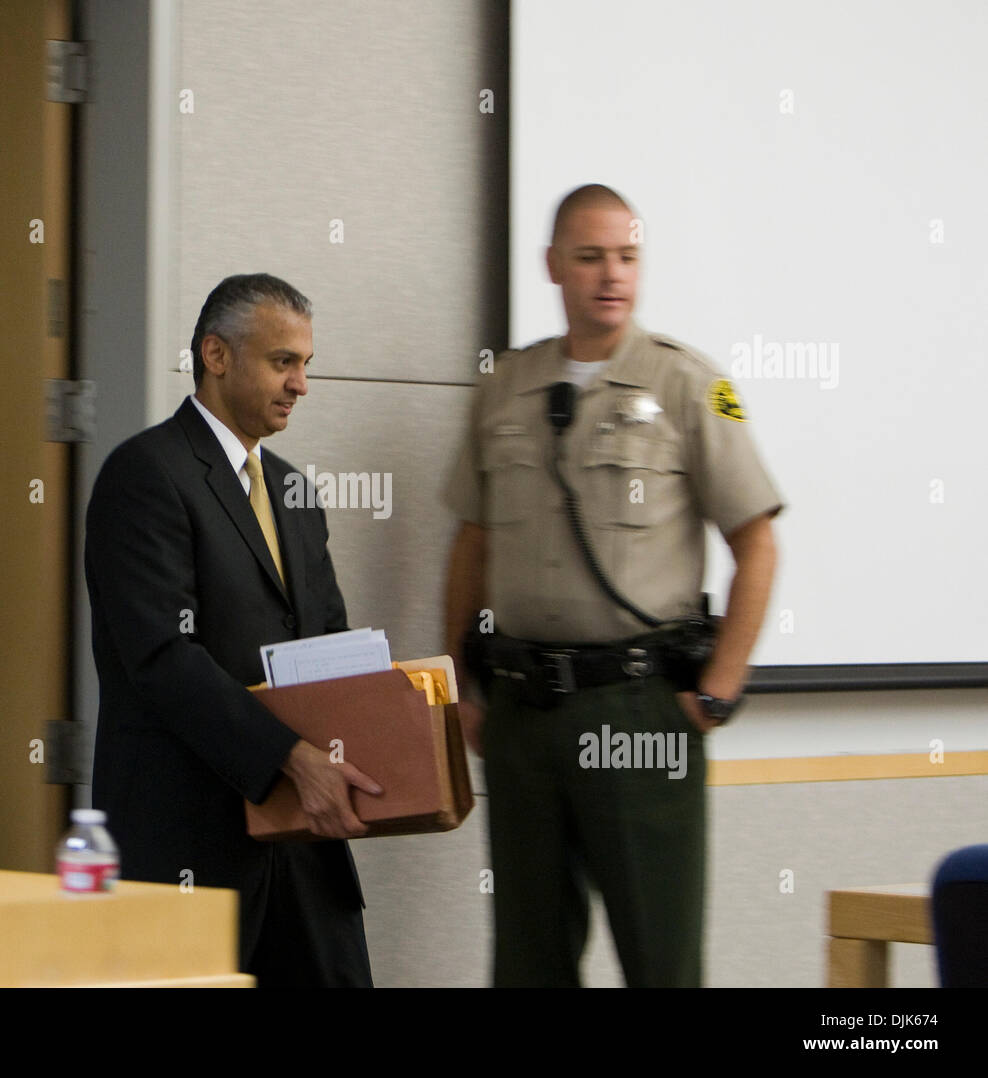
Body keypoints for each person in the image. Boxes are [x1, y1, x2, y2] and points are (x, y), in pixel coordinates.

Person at [442, 184, 782, 987]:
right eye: (590, 256)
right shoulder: (505, 388)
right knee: (528, 962)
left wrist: (720, 689)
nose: (610, 274)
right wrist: (460, 684)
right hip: (523, 712)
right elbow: (471, 543)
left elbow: (758, 544)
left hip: (638, 711)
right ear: (553, 265)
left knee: (659, 959)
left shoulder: (692, 386)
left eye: (627, 256)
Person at [86, 273, 381, 988]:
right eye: (284, 361)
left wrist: (386, 739)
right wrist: (289, 756)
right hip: (188, 841)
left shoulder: (294, 492)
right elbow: (161, 658)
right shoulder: (145, 474)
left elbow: (327, 647)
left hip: (303, 846)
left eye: (306, 364)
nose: (301, 384)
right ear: (216, 356)